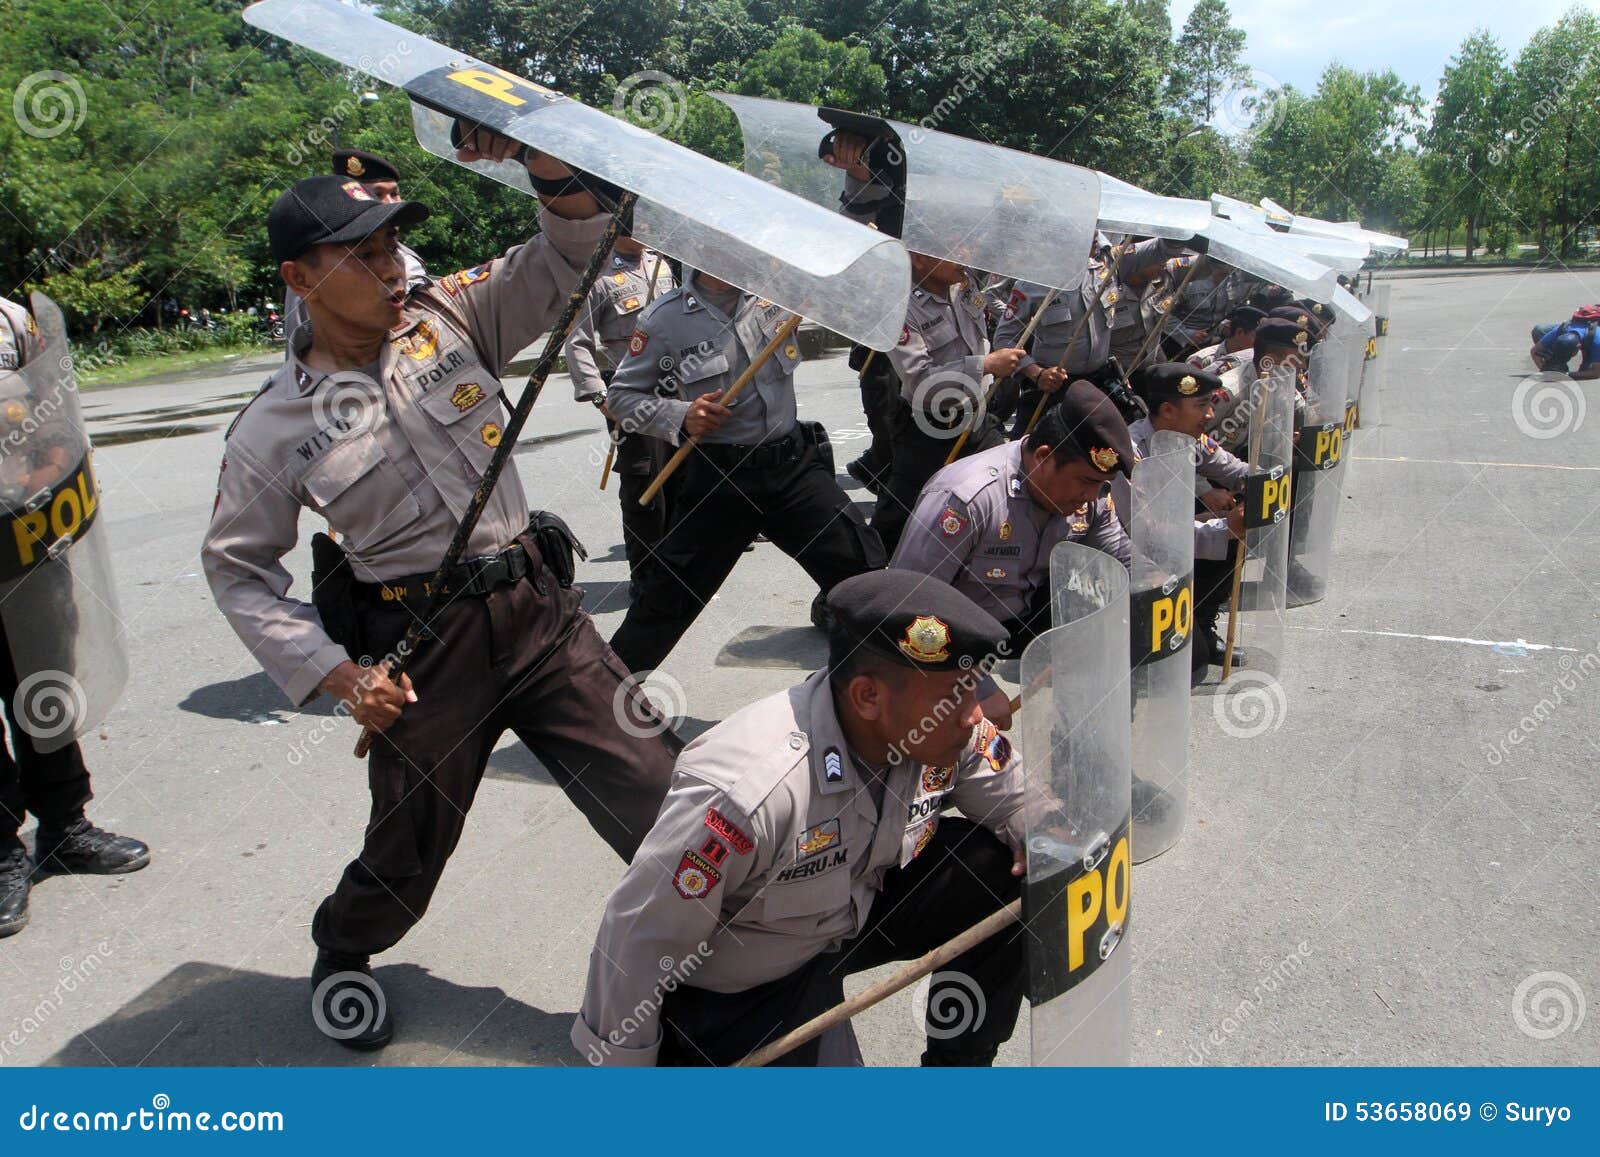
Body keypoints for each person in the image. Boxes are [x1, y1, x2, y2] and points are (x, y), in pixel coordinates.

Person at [201, 128, 679, 1048]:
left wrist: (540, 161)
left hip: (541, 614)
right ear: (300, 279)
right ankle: (343, 944)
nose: (389, 270)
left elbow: (567, 250)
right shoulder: (270, 430)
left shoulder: (451, 318)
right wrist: (340, 675)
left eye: (391, 248)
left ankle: (724, 969)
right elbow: (237, 568)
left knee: (657, 788)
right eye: (363, 254)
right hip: (422, 651)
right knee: (407, 850)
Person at [573, 569, 1030, 1067]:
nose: (975, 713)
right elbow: (640, 936)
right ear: (868, 697)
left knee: (998, 868)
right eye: (954, 695)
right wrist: (622, 1068)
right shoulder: (747, 792)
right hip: (748, 984)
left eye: (971, 688)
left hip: (856, 911)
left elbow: (1019, 800)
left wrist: (1047, 835)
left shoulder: (944, 730)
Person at [604, 269, 883, 673]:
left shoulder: (778, 293)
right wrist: (683, 415)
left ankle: (898, 684)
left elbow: (844, 298)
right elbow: (622, 398)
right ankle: (606, 700)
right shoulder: (663, 320)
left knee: (865, 571)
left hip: (793, 468)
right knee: (666, 601)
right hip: (721, 480)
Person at [0, 294, 148, 939]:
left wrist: (42, 480)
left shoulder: (11, 320)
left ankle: (64, 827)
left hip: (23, 535)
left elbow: (55, 418)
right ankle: (2, 849)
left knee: (45, 682)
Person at [890, 381, 1133, 694]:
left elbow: (1122, 561)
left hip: (1021, 616)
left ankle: (1078, 735)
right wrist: (976, 687)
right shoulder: (967, 499)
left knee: (1111, 615)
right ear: (1044, 457)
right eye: (1085, 482)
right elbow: (908, 606)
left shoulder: (1091, 494)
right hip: (955, 632)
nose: (1090, 497)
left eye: (1100, 485)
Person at [871, 253, 1025, 555]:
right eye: (950, 252)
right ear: (919, 260)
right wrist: (987, 365)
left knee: (1010, 486)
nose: (963, 257)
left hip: (977, 416)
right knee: (900, 517)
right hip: (929, 427)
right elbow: (919, 379)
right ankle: (866, 584)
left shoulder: (964, 284)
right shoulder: (898, 307)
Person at [562, 234, 677, 593]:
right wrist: (599, 396)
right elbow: (577, 340)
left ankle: (677, 567)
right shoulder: (596, 275)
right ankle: (645, 573)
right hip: (628, 389)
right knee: (643, 476)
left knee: (678, 472)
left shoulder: (662, 265)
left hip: (677, 383)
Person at [1126, 364, 1249, 674]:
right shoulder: (1133, 454)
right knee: (1189, 661)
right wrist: (1222, 528)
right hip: (1137, 560)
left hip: (1174, 544)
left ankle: (1202, 620)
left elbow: (1232, 469)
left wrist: (1261, 482)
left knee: (1230, 537)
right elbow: (1148, 534)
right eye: (1201, 406)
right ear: (1167, 410)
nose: (1210, 414)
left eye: (1210, 404)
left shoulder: (1192, 438)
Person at [282, 150, 428, 348]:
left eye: (394, 193)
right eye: (377, 195)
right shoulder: (314, 269)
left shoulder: (407, 257)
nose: (390, 203)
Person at [992, 242, 1114, 437]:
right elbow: (1005, 338)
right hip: (1051, 388)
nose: (1095, 241)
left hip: (1097, 385)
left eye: (1095, 235)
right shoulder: (1032, 283)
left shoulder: (1103, 272)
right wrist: (1036, 373)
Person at [1530, 311, 1600, 378]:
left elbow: (1596, 373)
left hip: (1593, 336)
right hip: (1582, 328)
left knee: (1586, 371)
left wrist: (1566, 375)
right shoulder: (1562, 330)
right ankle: (1556, 364)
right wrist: (1546, 371)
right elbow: (1534, 351)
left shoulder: (1597, 341)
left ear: (1578, 347)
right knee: (1539, 330)